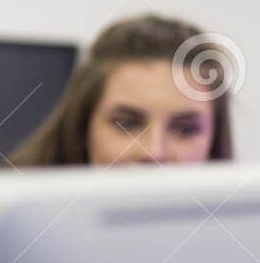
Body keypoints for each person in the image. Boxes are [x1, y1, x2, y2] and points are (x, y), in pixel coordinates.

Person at [12, 15, 235, 166]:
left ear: (214, 146)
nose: (154, 152)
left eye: (185, 130)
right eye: (127, 124)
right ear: (81, 129)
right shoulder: (8, 228)